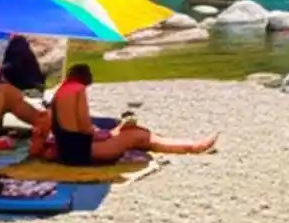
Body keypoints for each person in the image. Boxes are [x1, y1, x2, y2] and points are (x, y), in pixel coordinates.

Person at [48, 64, 216, 165]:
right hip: (82, 153)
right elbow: (85, 128)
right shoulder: (78, 90)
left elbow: (69, 127)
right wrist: (110, 133)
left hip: (67, 151)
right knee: (139, 134)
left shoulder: (60, 92)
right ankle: (193, 147)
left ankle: (189, 146)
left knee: (130, 132)